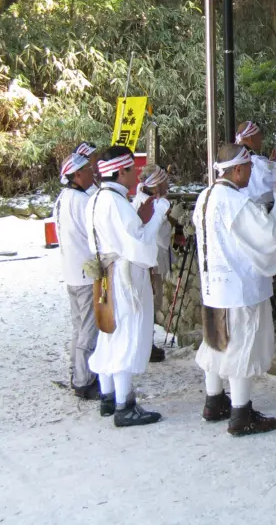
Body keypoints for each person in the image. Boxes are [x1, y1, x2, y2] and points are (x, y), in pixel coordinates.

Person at [193, 144, 276, 436]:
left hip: (213, 287)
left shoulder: (205, 196)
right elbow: (269, 236)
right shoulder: (234, 201)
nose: (250, 174)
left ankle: (214, 400)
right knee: (241, 347)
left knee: (215, 342)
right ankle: (241, 413)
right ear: (237, 170)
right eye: (248, 168)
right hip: (238, 287)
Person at [87, 146, 170, 427]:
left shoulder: (98, 198)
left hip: (105, 273)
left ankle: (108, 396)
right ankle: (125, 405)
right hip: (124, 276)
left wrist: (140, 201)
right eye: (132, 170)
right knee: (124, 332)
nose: (135, 174)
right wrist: (159, 212)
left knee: (109, 331)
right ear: (120, 172)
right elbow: (138, 244)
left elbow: (122, 230)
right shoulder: (115, 203)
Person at [54, 153, 100, 400]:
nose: (93, 172)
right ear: (78, 174)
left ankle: (77, 371)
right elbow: (93, 236)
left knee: (78, 326)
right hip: (85, 274)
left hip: (71, 271)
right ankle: (84, 380)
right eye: (89, 169)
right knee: (88, 329)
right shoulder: (81, 201)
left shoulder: (62, 198)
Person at [133, 164, 173, 363]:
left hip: (152, 259)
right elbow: (155, 235)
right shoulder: (148, 204)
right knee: (151, 301)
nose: (168, 183)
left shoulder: (146, 200)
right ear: (156, 184)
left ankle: (145, 342)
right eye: (164, 180)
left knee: (151, 301)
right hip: (151, 261)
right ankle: (145, 344)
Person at [235, 121, 276, 208]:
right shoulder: (258, 162)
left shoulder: (234, 162)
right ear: (250, 138)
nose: (262, 138)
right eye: (259, 135)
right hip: (259, 214)